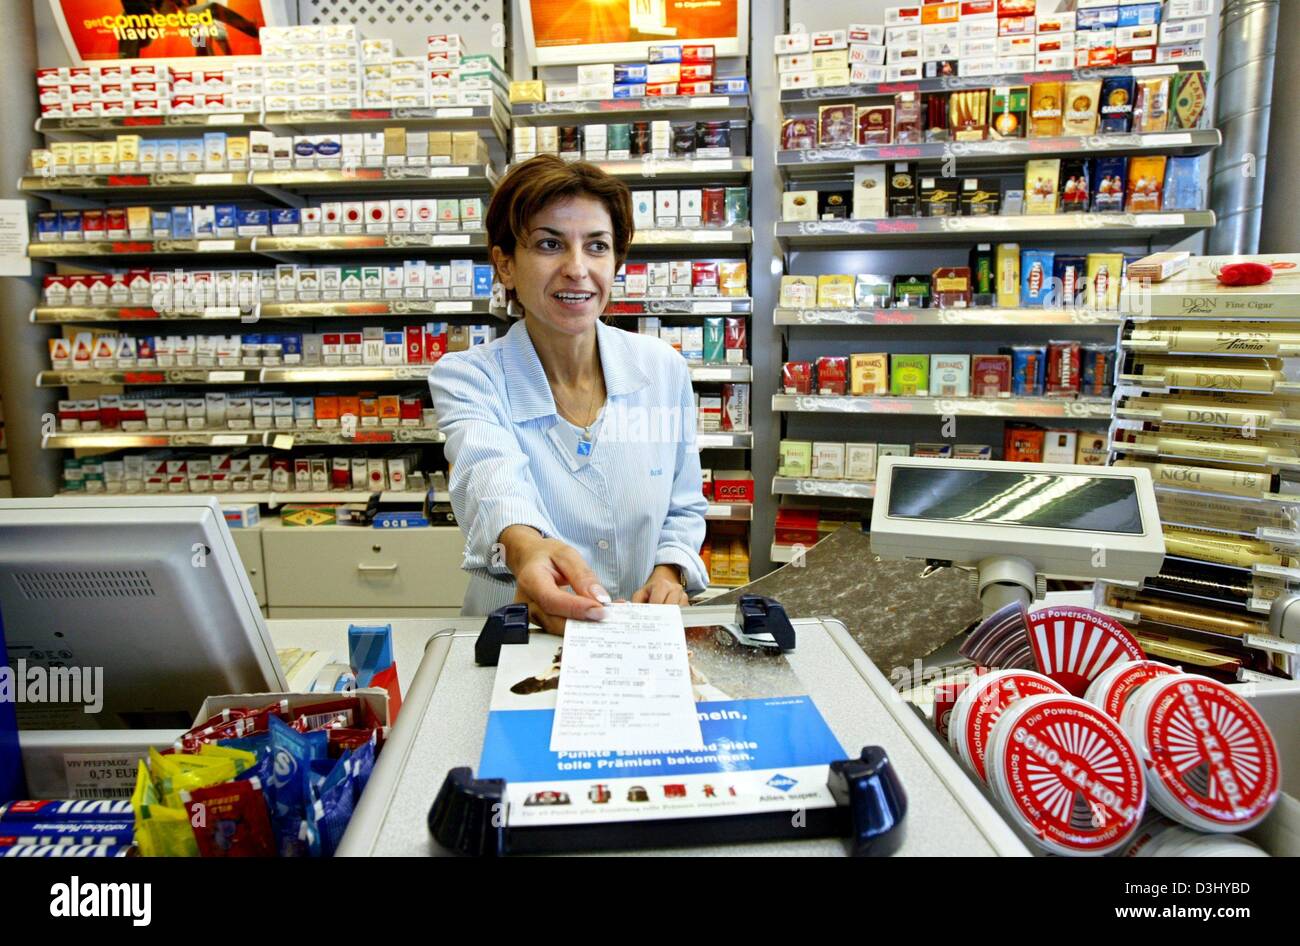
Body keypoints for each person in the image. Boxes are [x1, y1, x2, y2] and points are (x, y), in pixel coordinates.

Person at [429, 155, 708, 633]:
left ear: (616, 262)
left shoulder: (662, 368)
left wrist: (670, 570)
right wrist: (527, 547)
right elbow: (491, 477)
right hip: (519, 636)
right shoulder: (469, 376)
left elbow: (683, 505)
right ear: (505, 265)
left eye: (597, 246)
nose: (577, 268)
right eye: (549, 244)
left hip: (637, 638)